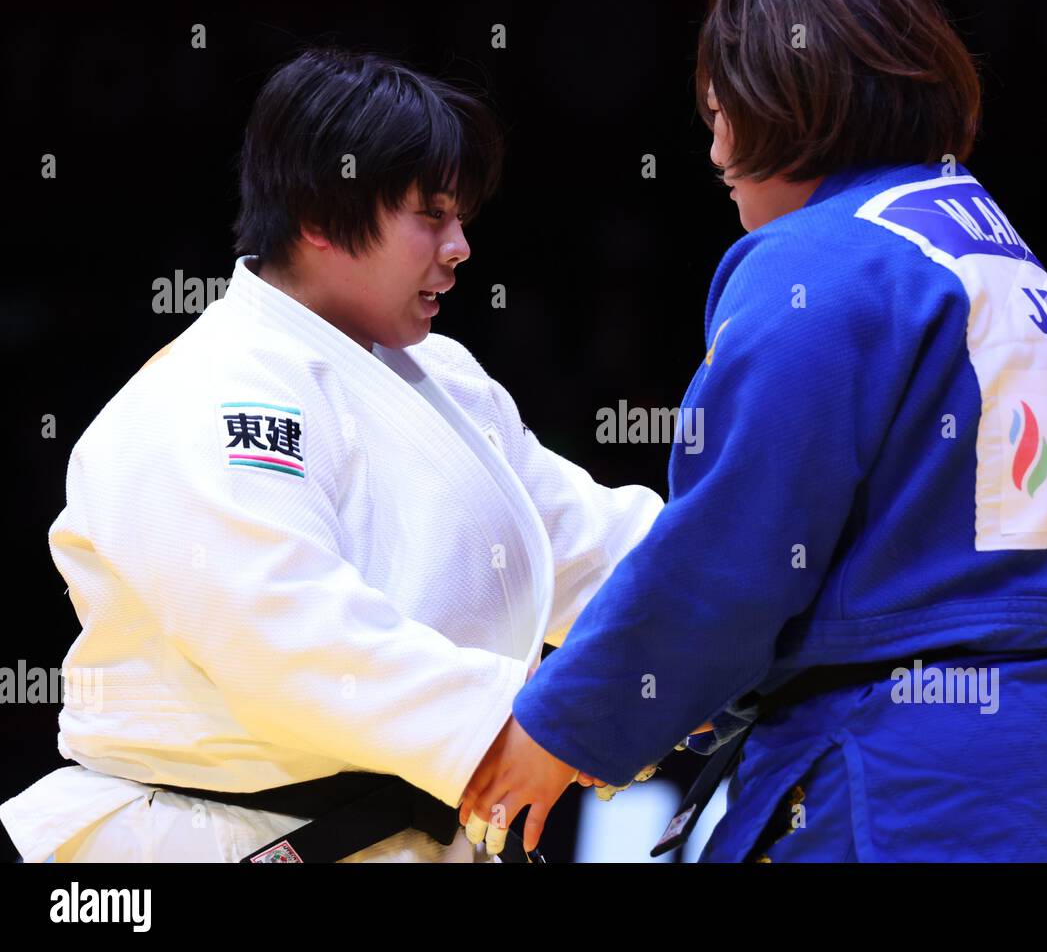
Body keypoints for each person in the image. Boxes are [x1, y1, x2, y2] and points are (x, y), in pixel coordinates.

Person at [460, 0, 1047, 862]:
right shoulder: (1009, 267)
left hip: (911, 789)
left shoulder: (828, 258)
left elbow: (729, 554)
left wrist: (561, 726)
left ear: (793, 97)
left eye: (721, 115)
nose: (715, 154)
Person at [0, 47, 662, 863]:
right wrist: (534, 723)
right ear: (320, 214)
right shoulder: (208, 393)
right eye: (430, 215)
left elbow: (585, 543)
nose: (459, 248)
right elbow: (293, 638)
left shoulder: (444, 378)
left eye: (460, 219)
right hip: (225, 839)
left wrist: (734, 605)